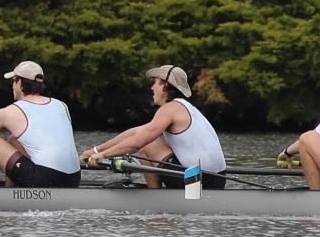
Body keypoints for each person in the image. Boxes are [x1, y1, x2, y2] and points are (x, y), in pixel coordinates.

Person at [80, 65, 229, 190]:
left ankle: (155, 198)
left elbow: (138, 142)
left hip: (196, 183)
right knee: (148, 138)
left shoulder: (169, 108)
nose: (152, 88)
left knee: (147, 144)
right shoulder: (187, 108)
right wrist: (95, 151)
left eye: (155, 82)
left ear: (165, 85)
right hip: (218, 180)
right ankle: (160, 195)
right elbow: (135, 132)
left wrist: (103, 156)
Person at [0, 60, 83, 188]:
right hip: (73, 179)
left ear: (20, 83)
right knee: (13, 141)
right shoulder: (61, 105)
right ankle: (12, 191)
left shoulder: (10, 111)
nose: (12, 85)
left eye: (13, 81)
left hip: (45, 178)